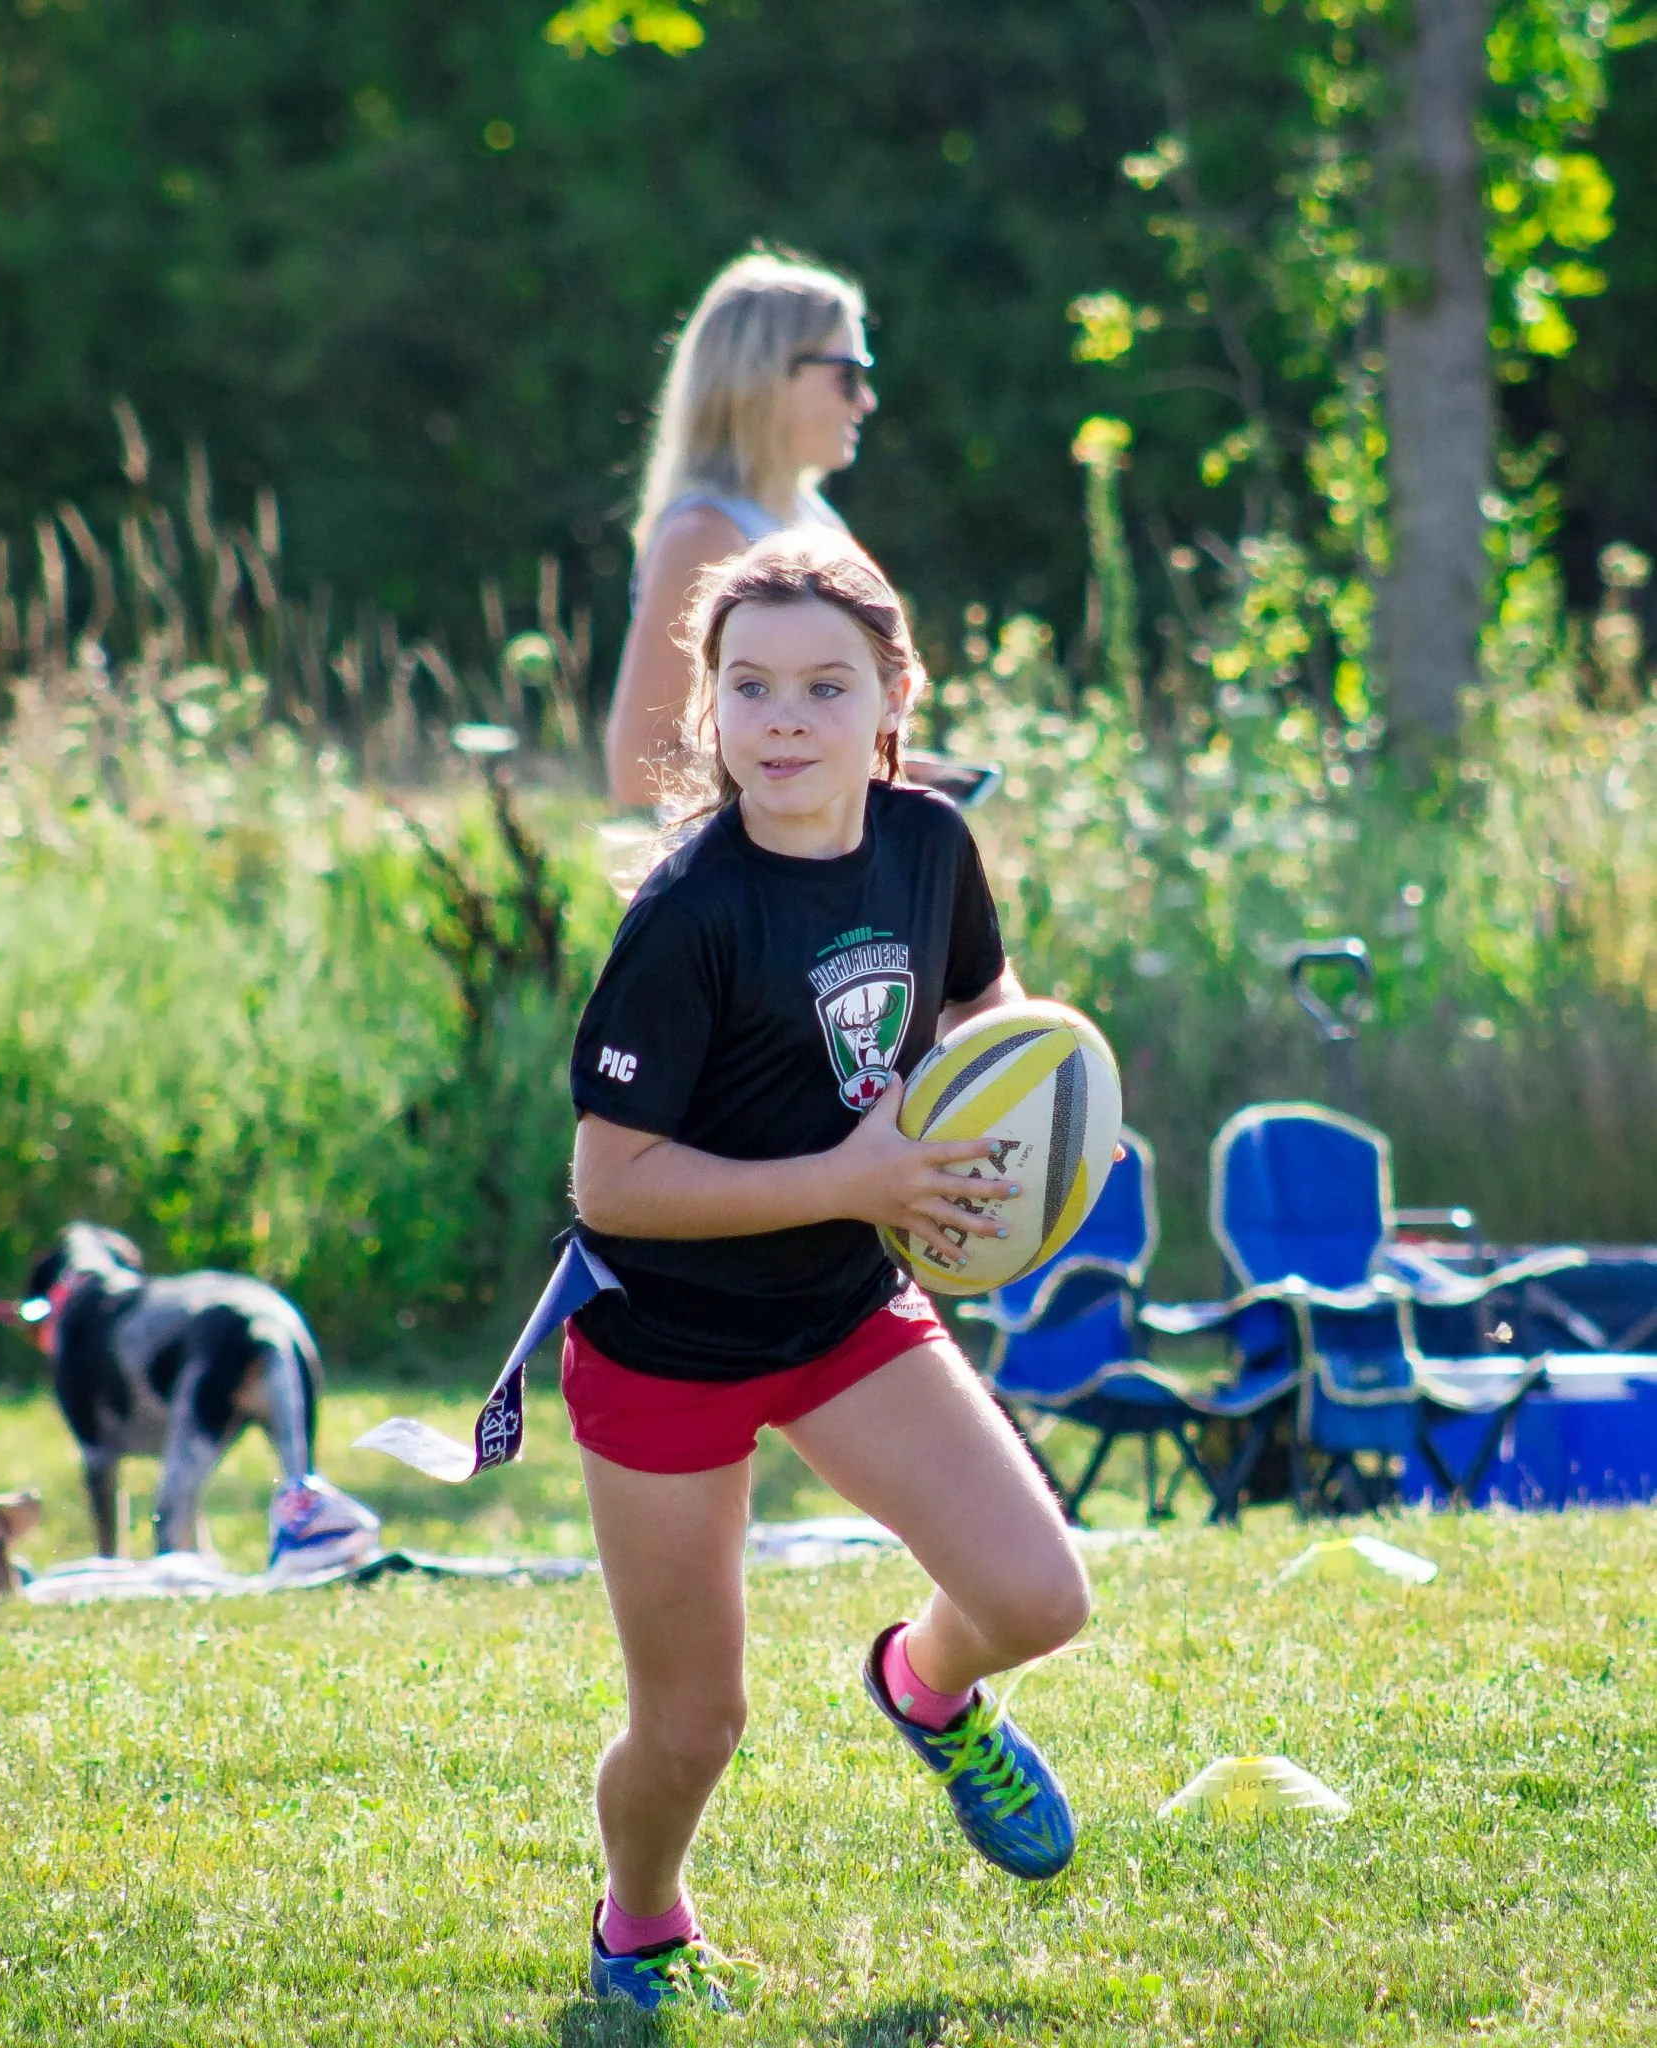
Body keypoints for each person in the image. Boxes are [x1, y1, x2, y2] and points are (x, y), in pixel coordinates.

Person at [567, 531, 1092, 2012]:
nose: (782, 720)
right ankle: (639, 1928)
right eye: (748, 687)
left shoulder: (928, 844)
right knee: (693, 1724)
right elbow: (612, 1185)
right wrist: (854, 1181)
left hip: (840, 1311)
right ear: (710, 708)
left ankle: (925, 1685)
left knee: (1038, 1597)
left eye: (822, 686)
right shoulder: (686, 916)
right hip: (662, 1343)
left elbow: (985, 1006)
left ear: (891, 702)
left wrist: (1042, 1115)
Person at [606, 249, 878, 808]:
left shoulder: (820, 523)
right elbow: (638, 770)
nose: (865, 401)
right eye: (847, 376)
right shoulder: (703, 537)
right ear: (767, 376)